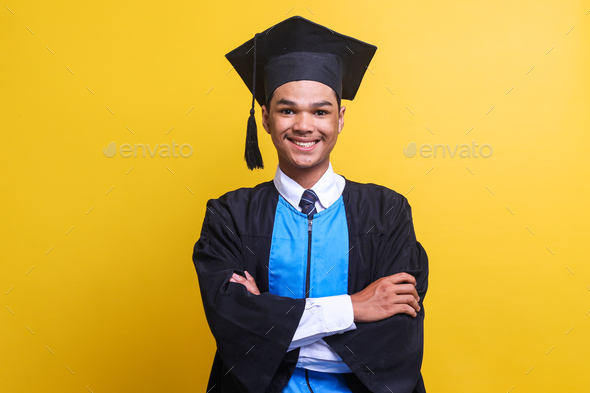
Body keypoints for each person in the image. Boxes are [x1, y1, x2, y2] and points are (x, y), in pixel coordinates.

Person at [192, 16, 428, 393]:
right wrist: (353, 308)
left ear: (340, 119)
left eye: (320, 111)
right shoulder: (230, 216)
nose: (305, 126)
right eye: (287, 111)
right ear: (266, 119)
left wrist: (270, 330)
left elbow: (393, 345)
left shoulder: (387, 212)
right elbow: (236, 336)